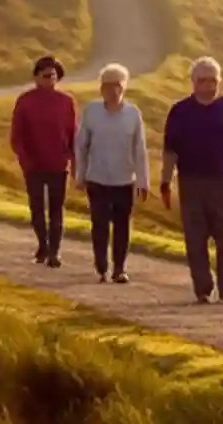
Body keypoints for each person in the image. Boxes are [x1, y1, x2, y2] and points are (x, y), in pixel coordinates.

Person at [160, 57, 223, 304]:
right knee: (195, 237)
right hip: (190, 181)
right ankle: (203, 288)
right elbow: (170, 150)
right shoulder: (180, 111)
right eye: (203, 81)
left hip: (221, 181)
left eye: (214, 81)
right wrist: (166, 182)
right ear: (193, 82)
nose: (209, 86)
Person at [74, 63, 150, 283]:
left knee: (122, 225)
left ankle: (119, 268)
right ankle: (101, 265)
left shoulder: (133, 114)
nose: (112, 90)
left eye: (117, 85)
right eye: (107, 86)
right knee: (99, 223)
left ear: (123, 87)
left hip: (125, 180)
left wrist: (143, 181)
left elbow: (139, 149)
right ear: (101, 89)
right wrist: (81, 175)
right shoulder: (92, 111)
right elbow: (81, 145)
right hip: (97, 178)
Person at [10, 55, 78, 268]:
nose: (51, 80)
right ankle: (43, 245)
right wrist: (25, 159)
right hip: (34, 165)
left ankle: (54, 252)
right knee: (37, 208)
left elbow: (72, 133)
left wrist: (74, 160)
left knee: (57, 209)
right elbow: (17, 135)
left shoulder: (66, 102)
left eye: (54, 76)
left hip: (58, 165)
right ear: (37, 77)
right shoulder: (25, 101)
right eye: (46, 75)